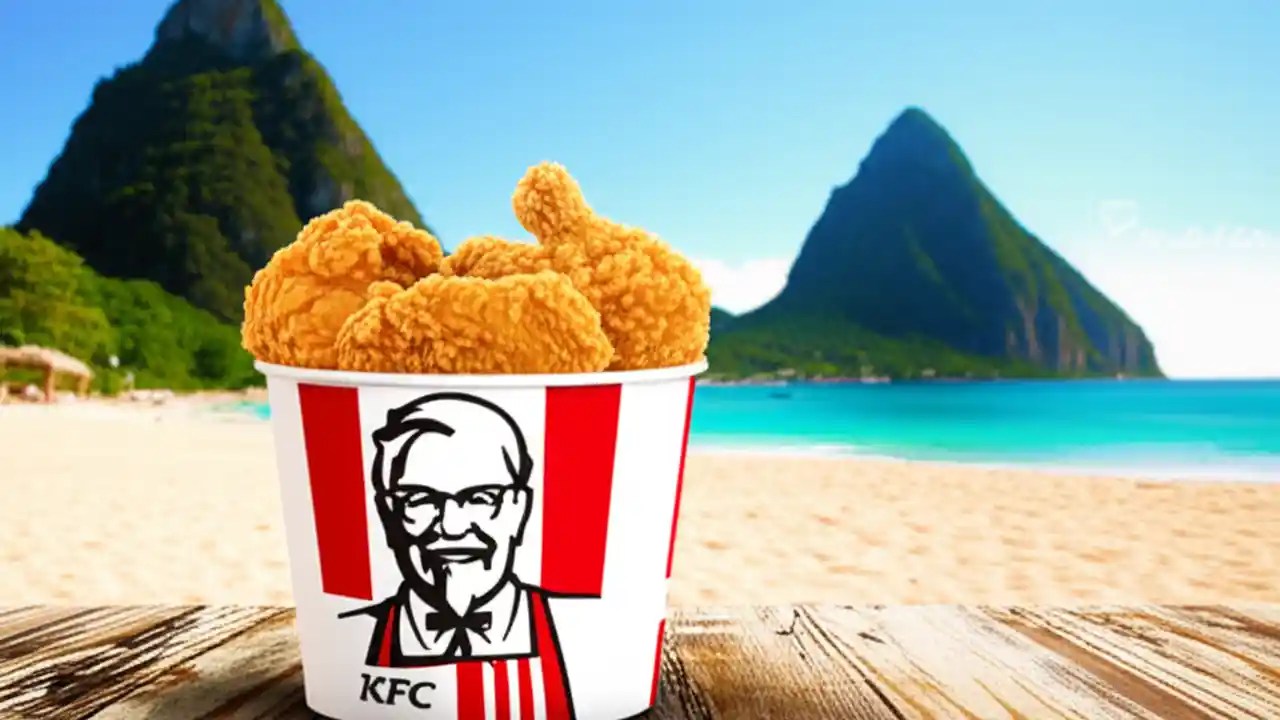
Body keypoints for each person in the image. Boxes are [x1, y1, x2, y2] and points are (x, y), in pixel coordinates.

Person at [340, 393, 572, 711]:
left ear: (519, 510)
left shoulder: (581, 629)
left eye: (481, 498)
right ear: (388, 516)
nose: (452, 527)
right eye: (419, 499)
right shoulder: (345, 637)